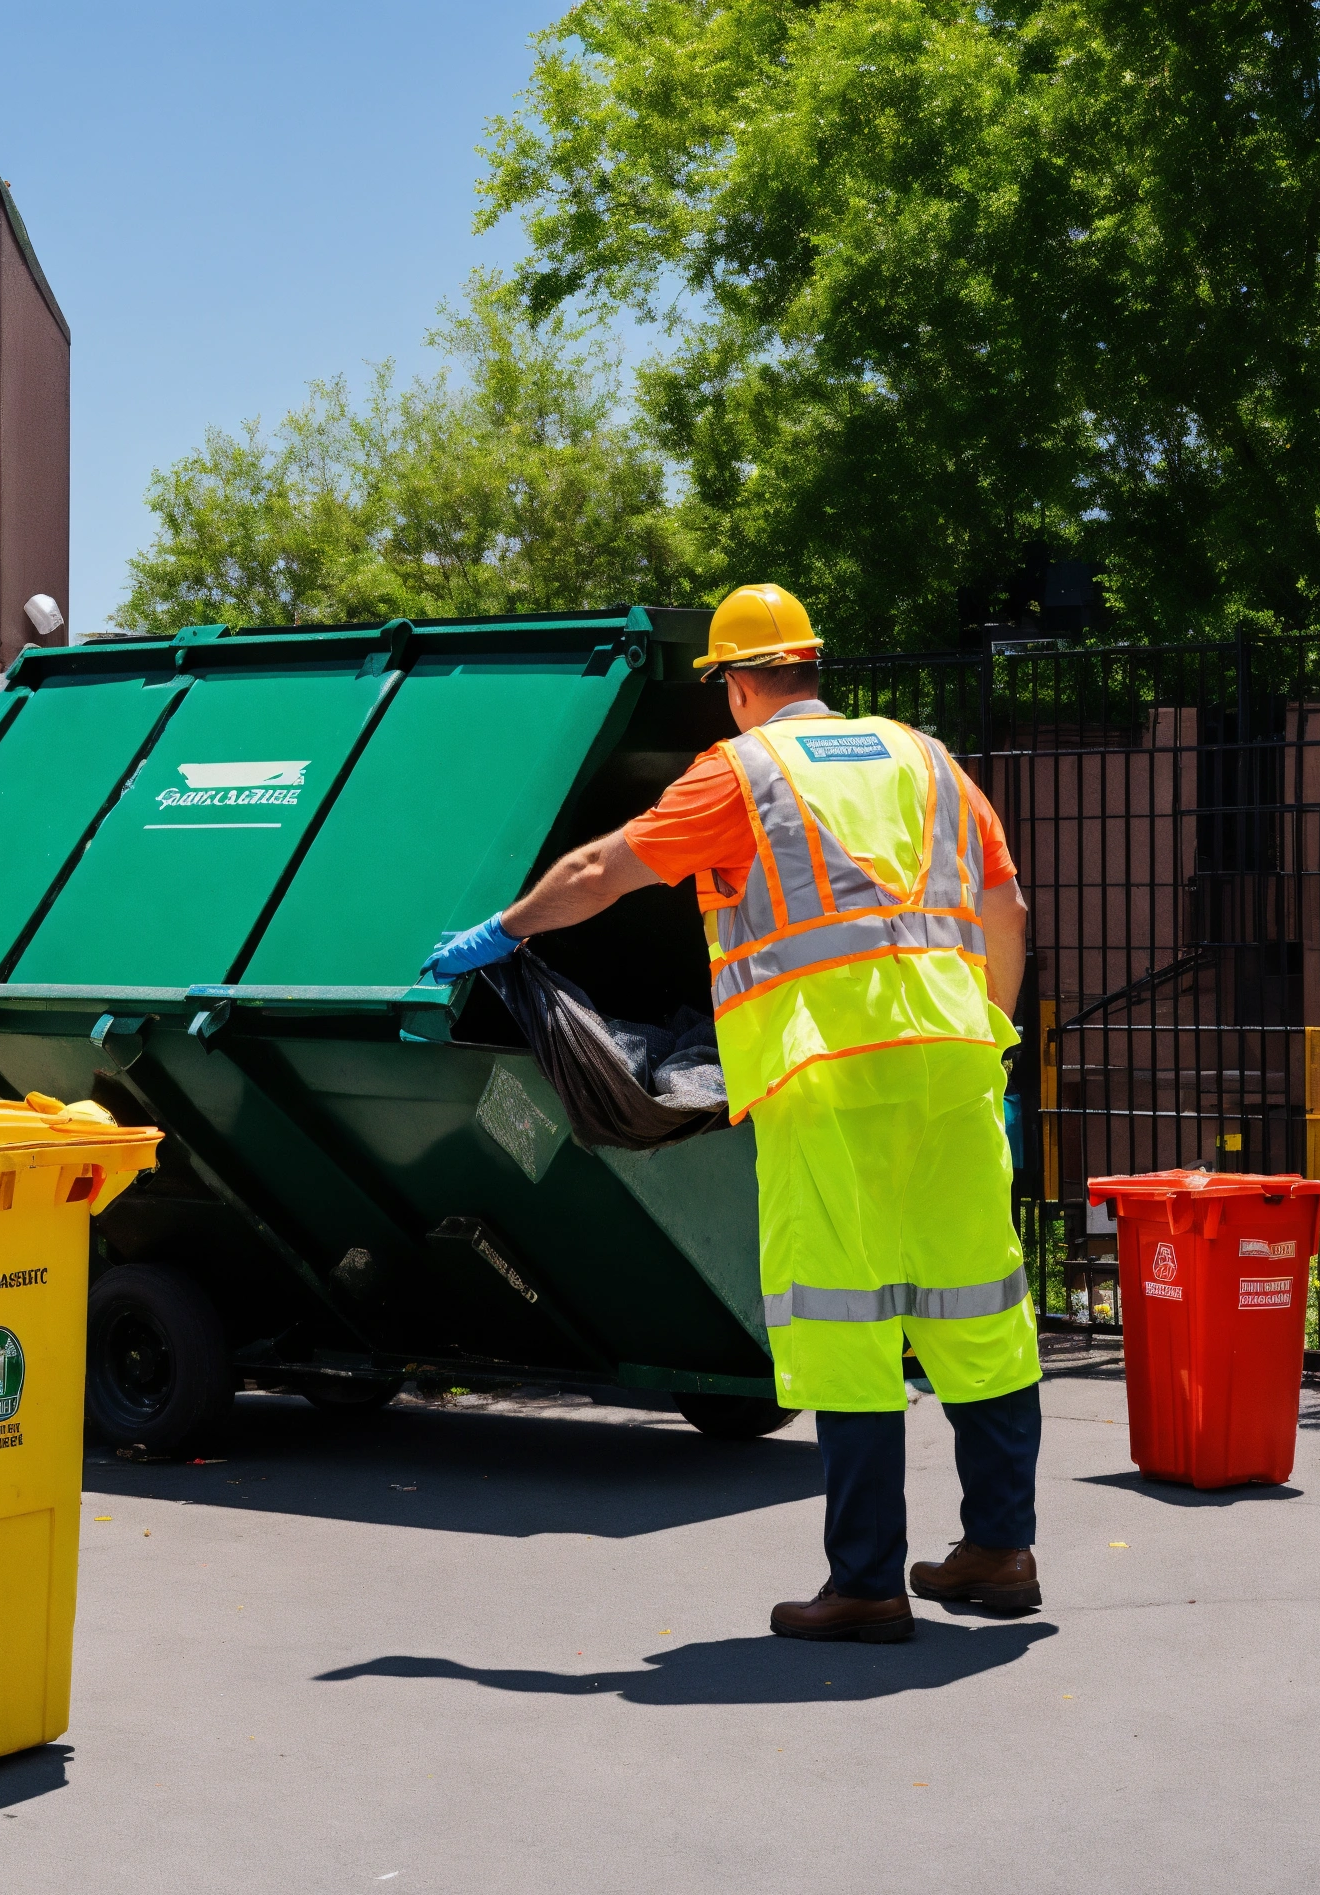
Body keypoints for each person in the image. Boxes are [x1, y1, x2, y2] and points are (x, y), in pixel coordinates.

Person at [424, 584, 1043, 1640]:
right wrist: (986, 1044)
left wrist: (508, 927)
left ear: (737, 684)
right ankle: (1000, 1547)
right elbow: (1004, 907)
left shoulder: (742, 771)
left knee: (843, 1314)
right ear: (810, 667)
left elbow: (599, 870)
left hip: (828, 1070)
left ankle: (862, 1584)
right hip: (952, 1062)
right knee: (974, 1302)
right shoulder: (926, 760)